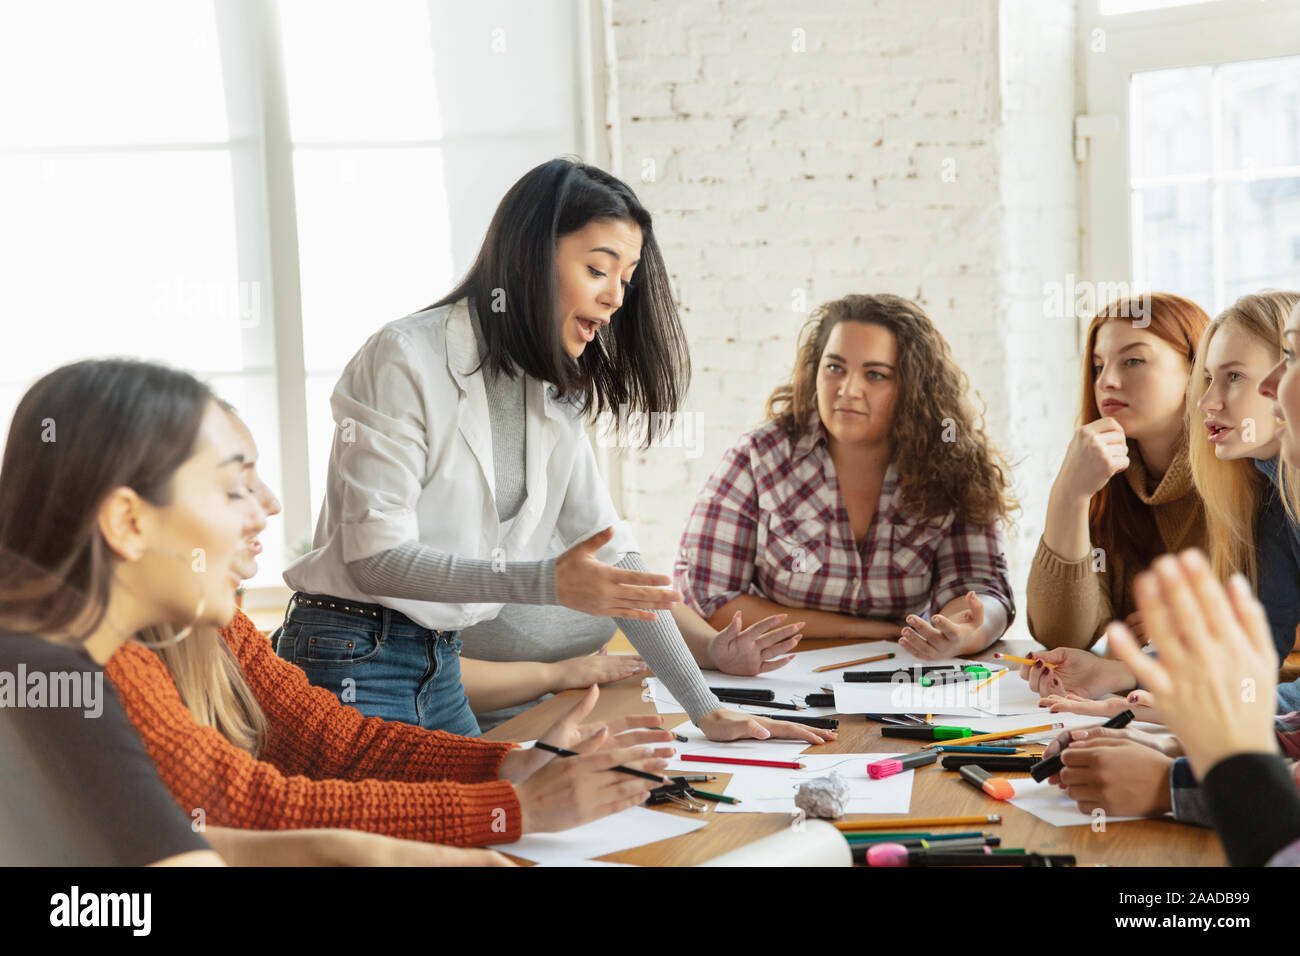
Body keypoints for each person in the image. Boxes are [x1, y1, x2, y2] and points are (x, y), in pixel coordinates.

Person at [1, 358, 675, 860]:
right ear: (128, 521)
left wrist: (504, 771)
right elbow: (231, 814)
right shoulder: (58, 667)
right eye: (235, 487)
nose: (267, 506)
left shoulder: (93, 643)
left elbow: (244, 808)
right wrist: (503, 808)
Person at [275, 157, 829, 745]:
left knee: (501, 823)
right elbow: (374, 559)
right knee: (427, 831)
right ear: (528, 256)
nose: (615, 297)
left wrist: (706, 709)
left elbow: (616, 557)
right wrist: (549, 583)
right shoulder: (404, 357)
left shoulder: (553, 391)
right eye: (597, 268)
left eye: (627, 277)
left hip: (438, 664)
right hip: (353, 652)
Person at [674, 294, 1016, 659]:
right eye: (835, 368)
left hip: (898, 675)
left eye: (875, 375)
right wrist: (868, 630)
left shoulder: (953, 462)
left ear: (913, 388)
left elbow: (982, 590)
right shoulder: (760, 457)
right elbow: (708, 599)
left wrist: (962, 633)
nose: (848, 390)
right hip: (780, 672)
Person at [1026, 293, 1210, 654]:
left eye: (1133, 360)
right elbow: (1062, 636)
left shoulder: (1252, 476)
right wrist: (1068, 496)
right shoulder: (1108, 481)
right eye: (1097, 366)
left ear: (1196, 370)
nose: (1106, 381)